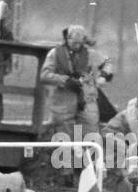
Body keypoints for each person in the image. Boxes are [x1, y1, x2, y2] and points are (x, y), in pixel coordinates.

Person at [41, 25, 114, 177]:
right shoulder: (54, 54)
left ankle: (89, 171)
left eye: (80, 43)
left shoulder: (92, 54)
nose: (77, 46)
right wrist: (65, 80)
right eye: (74, 43)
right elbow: (45, 74)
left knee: (91, 135)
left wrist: (104, 75)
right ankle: (66, 172)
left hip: (87, 98)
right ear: (67, 39)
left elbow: (108, 61)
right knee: (64, 137)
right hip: (62, 100)